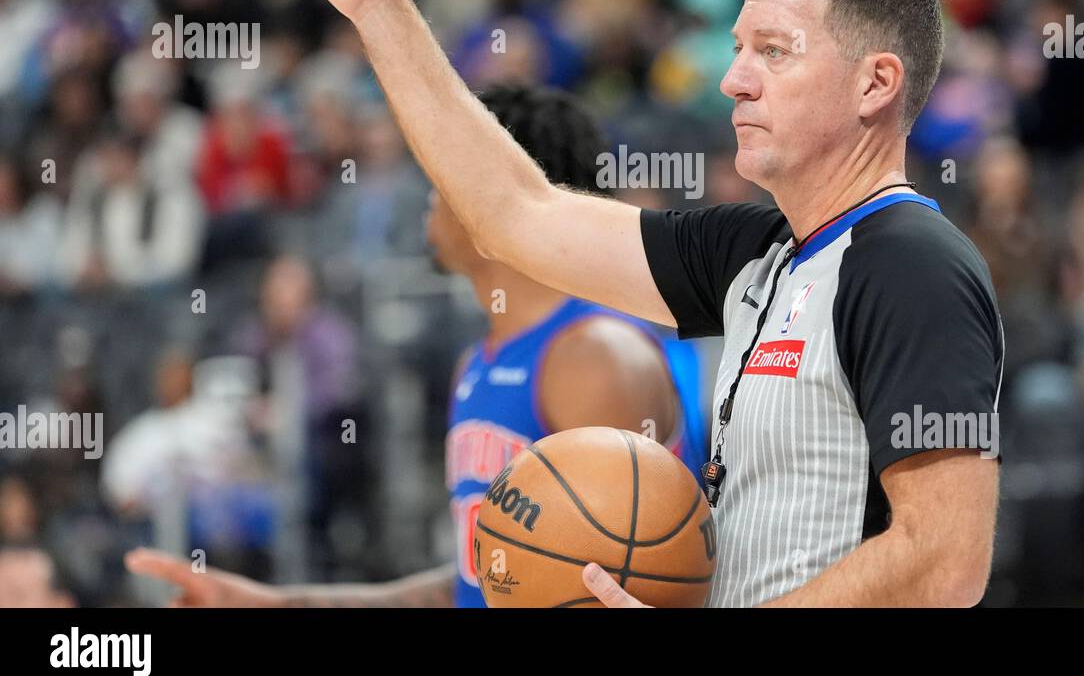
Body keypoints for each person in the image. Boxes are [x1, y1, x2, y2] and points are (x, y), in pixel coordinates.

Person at [271, 0, 1004, 608]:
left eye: (774, 52)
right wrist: (378, 6)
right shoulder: (751, 254)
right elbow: (515, 212)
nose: (733, 81)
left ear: (875, 84)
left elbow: (943, 560)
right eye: (737, 49)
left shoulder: (914, 264)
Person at [126, 82, 708, 606]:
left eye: (441, 167)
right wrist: (277, 605)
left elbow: (638, 579)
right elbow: (472, 587)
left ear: (493, 189)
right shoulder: (476, 363)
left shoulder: (595, 357)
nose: (428, 189)